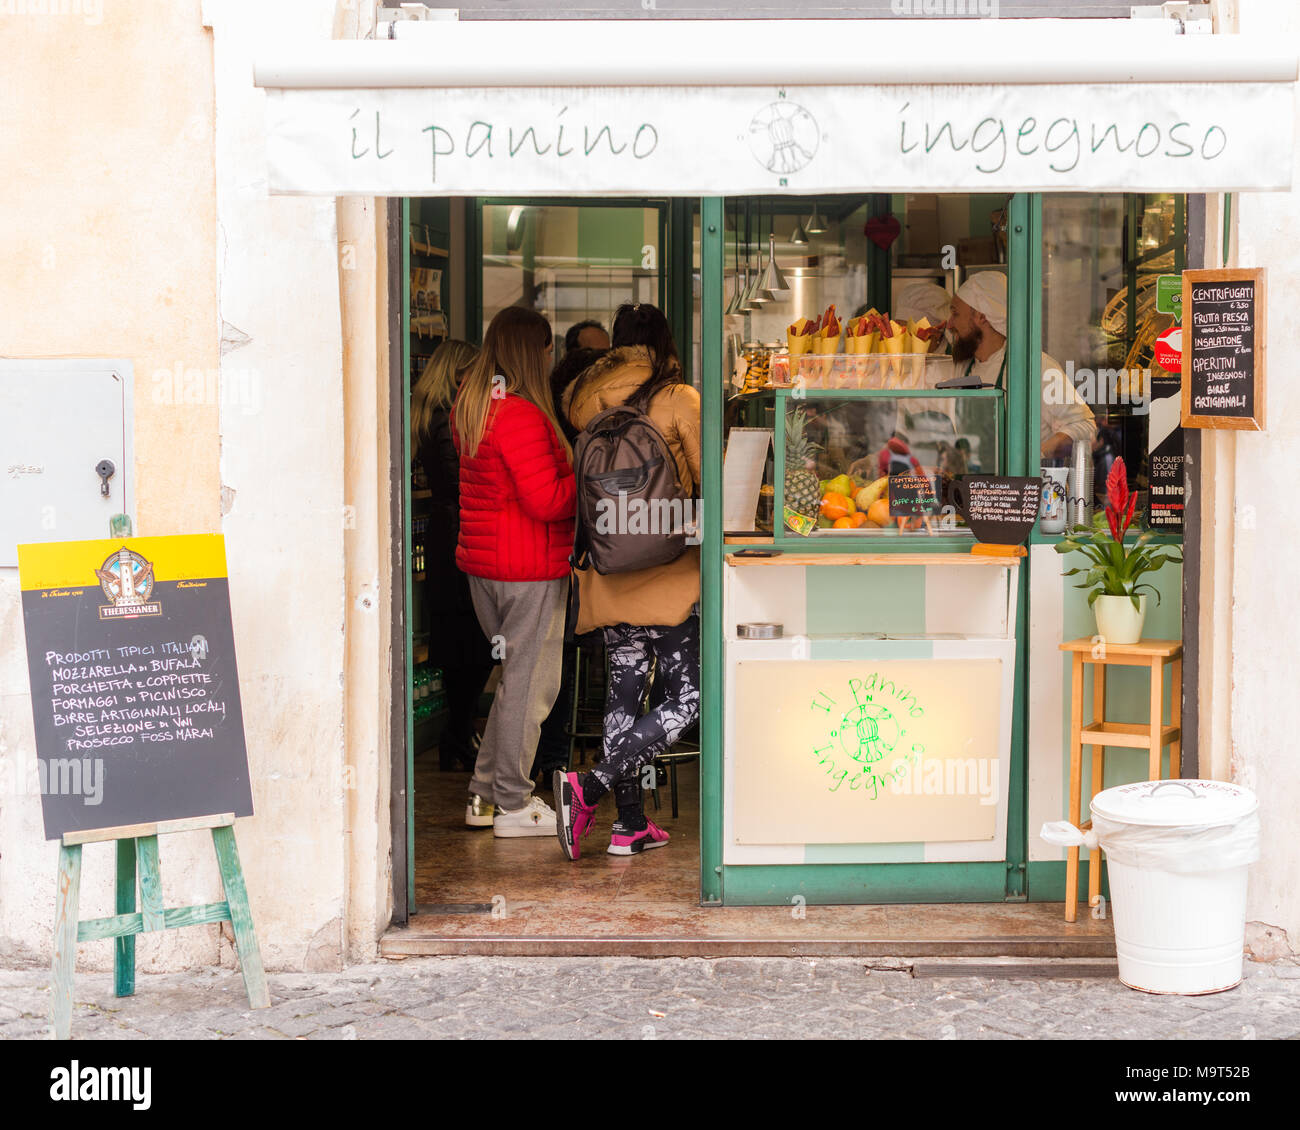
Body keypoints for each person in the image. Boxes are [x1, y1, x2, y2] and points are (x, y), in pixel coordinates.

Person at [553, 303, 701, 860]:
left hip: (609, 573)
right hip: (668, 573)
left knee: (623, 698)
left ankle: (630, 827)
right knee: (686, 698)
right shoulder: (678, 398)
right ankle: (590, 786)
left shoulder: (585, 403)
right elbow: (712, 484)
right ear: (665, 345)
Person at [452, 306, 575, 837]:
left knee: (513, 682)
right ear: (537, 351)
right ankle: (514, 803)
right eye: (549, 349)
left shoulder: (476, 405)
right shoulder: (521, 414)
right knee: (531, 687)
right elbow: (547, 500)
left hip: (487, 568)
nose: (552, 358)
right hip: (528, 567)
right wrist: (588, 483)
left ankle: (482, 797)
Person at [411, 338, 494, 773]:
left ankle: (457, 735)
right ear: (458, 372)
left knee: (458, 641)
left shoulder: (431, 414)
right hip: (462, 534)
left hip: (445, 536)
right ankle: (457, 735)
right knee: (474, 642)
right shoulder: (449, 418)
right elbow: (462, 474)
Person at [947, 271, 1095, 460]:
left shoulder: (1036, 367)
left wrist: (1034, 457)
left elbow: (1084, 426)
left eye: (955, 313)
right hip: (974, 485)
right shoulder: (963, 368)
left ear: (981, 317)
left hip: (1022, 487)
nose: (949, 324)